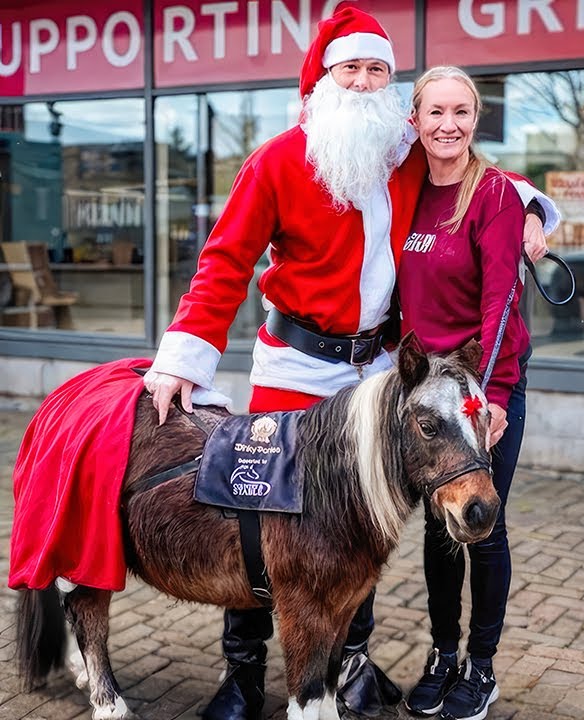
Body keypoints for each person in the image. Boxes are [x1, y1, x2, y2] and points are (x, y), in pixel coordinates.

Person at [141, 10, 557, 720]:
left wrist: (529, 210)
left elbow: (470, 161)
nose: (364, 83)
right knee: (257, 512)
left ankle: (348, 665)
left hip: (374, 376)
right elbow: (224, 262)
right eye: (350, 69)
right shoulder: (276, 159)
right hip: (293, 369)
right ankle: (242, 676)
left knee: (361, 522)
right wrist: (182, 356)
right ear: (324, 79)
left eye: (377, 71)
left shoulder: (401, 149)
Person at [393, 66, 538, 720]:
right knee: (437, 524)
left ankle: (481, 668)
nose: (448, 125)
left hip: (483, 380)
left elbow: (501, 301)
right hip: (428, 387)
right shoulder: (406, 189)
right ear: (415, 121)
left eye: (461, 112)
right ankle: (442, 655)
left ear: (475, 119)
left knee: (482, 521)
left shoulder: (496, 195)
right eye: (435, 113)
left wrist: (496, 396)